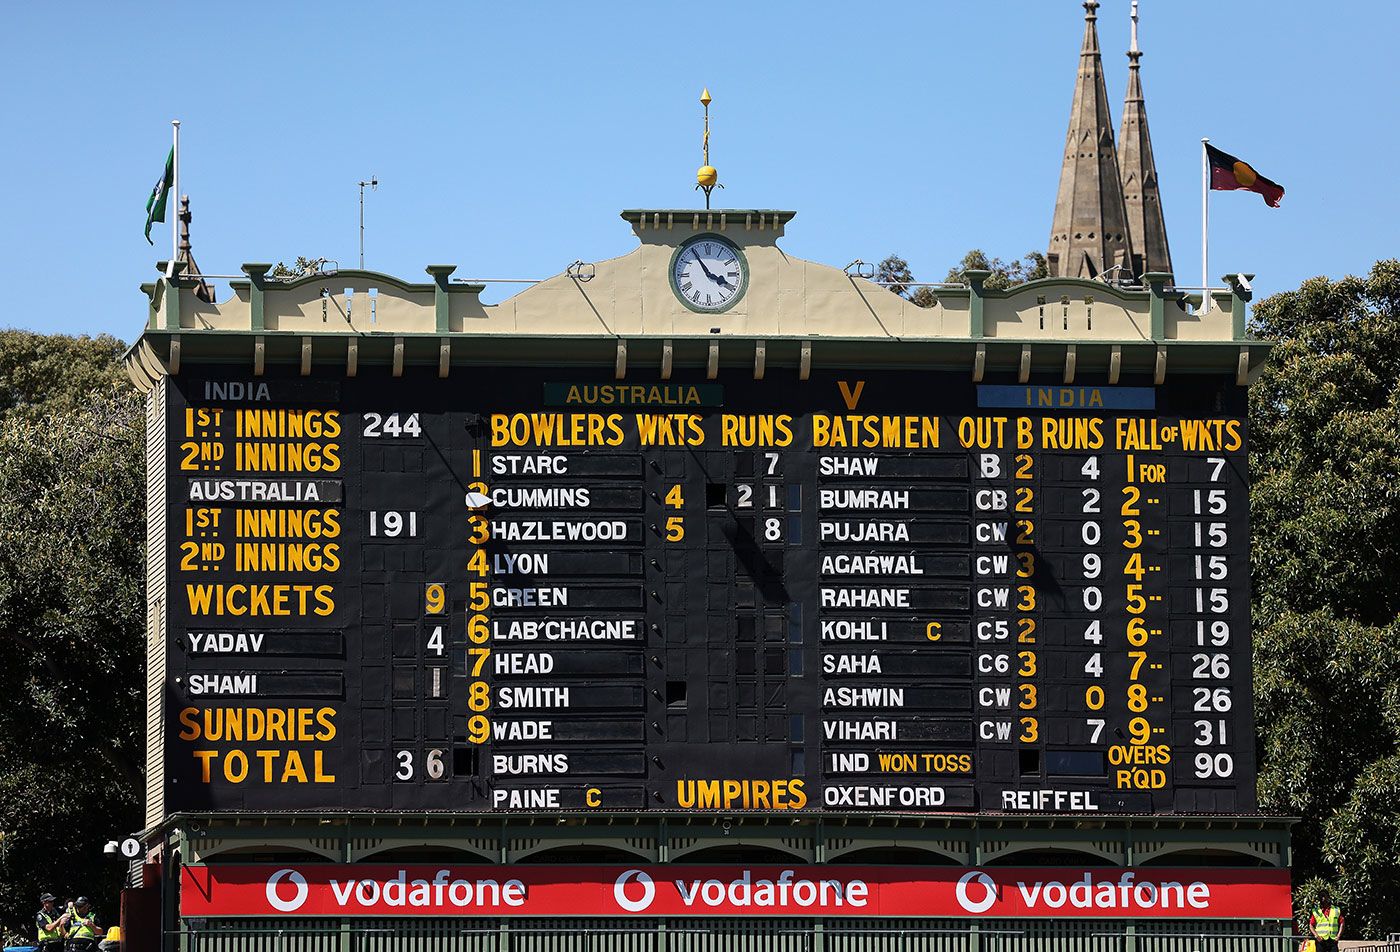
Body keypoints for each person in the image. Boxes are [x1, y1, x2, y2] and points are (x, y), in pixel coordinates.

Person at [1308, 887, 1344, 952]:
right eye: (1321, 897)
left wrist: (1338, 936)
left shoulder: (1336, 910)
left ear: (1328, 897)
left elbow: (1342, 922)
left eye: (1324, 896)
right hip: (1321, 940)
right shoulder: (1316, 911)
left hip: (1333, 939)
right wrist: (1316, 936)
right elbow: (1311, 925)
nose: (1323, 898)